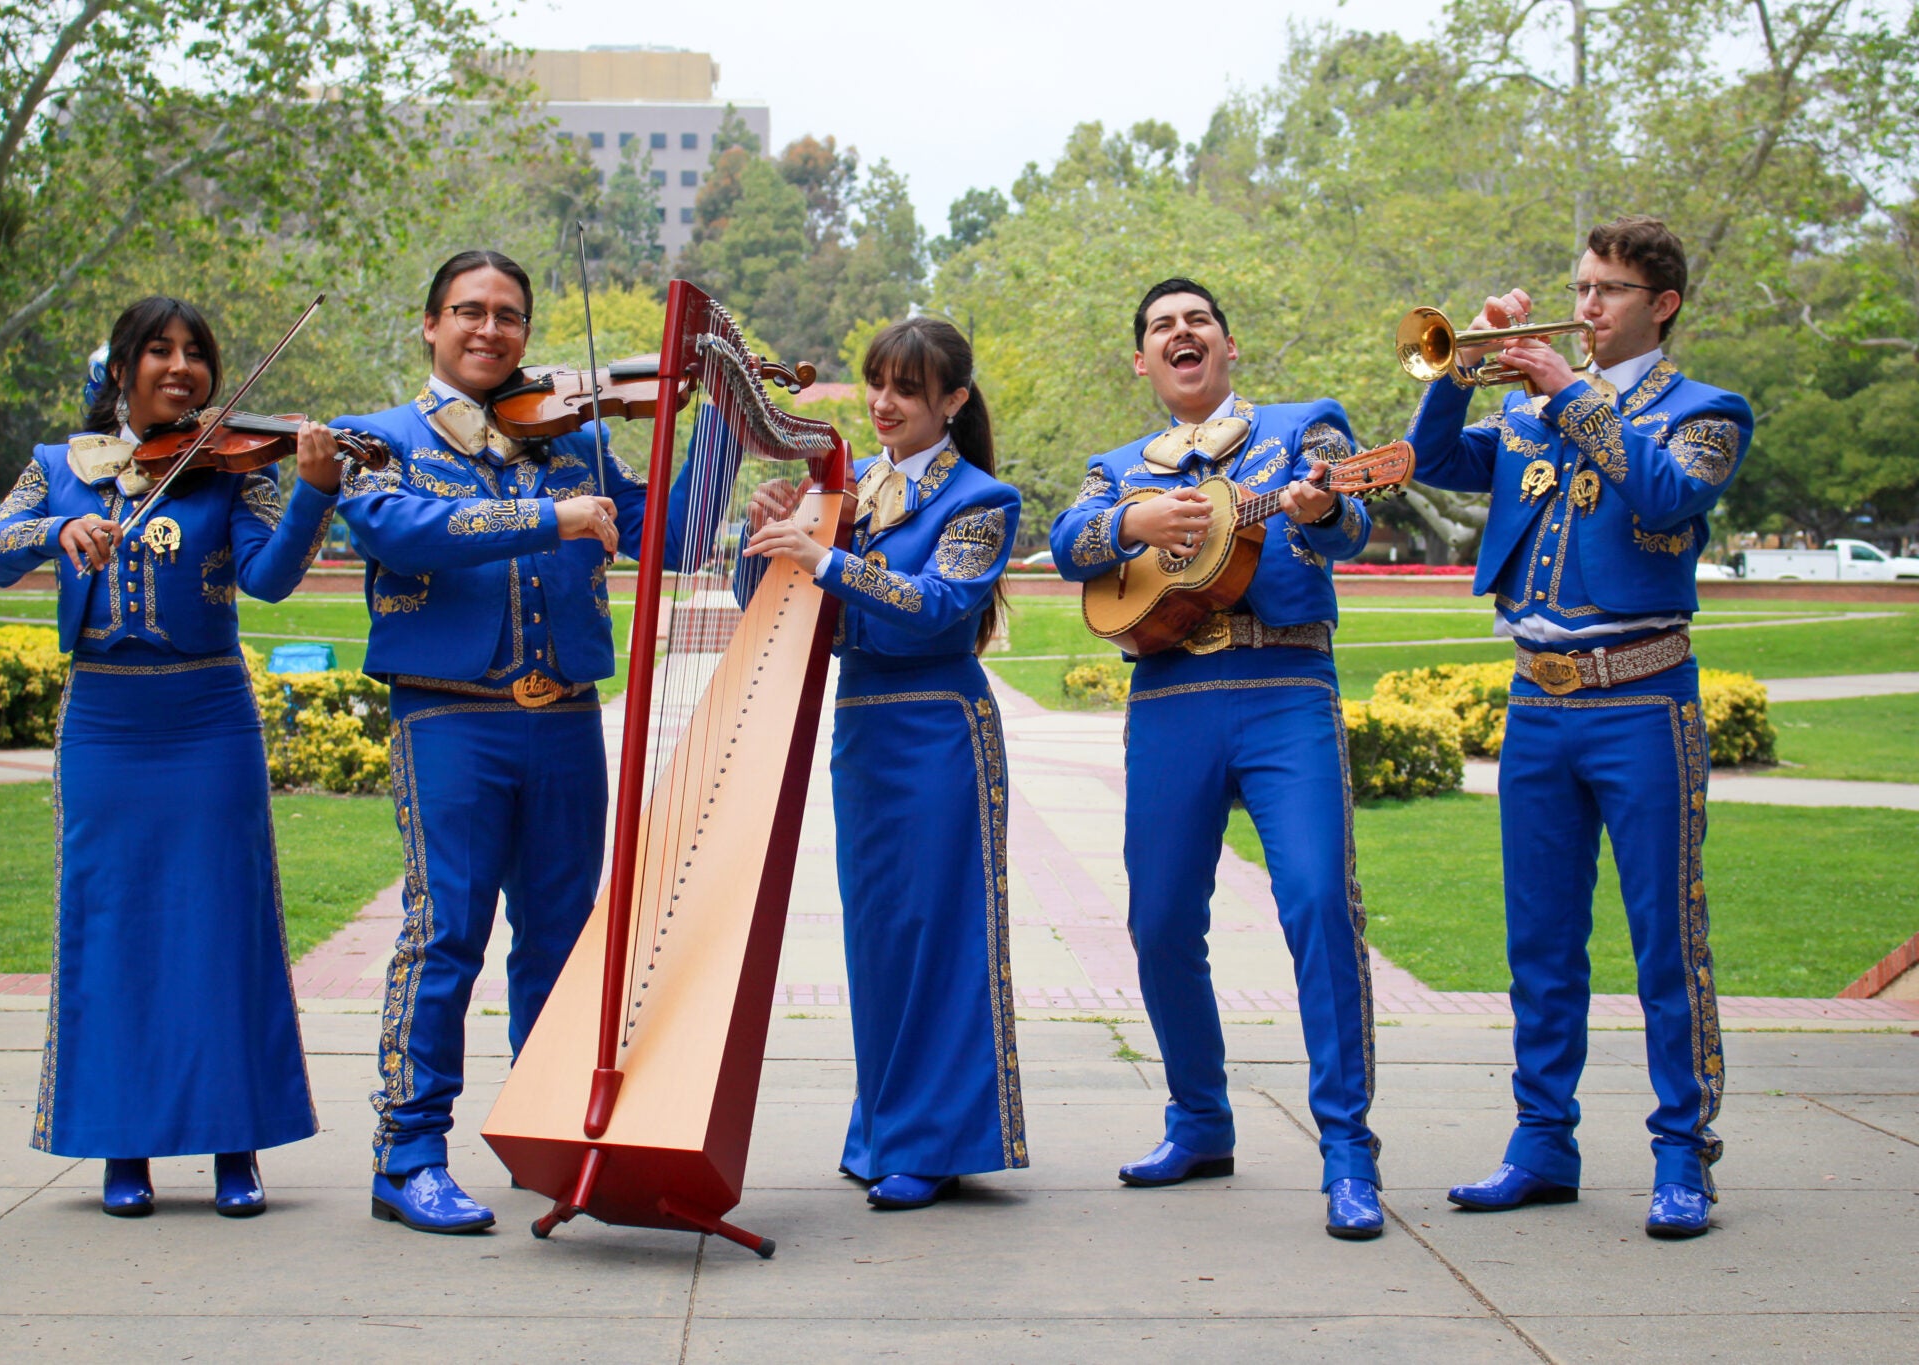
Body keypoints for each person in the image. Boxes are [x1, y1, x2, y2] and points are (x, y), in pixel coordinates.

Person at [336, 249, 758, 1234]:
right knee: (444, 932)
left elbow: (678, 536)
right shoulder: (376, 439)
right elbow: (405, 531)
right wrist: (548, 517)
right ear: (430, 326)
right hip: (448, 715)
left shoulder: (571, 444)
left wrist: (724, 431)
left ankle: (546, 1132)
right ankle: (406, 1154)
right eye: (469, 312)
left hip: (562, 715)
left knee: (564, 946)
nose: (490, 330)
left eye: (509, 315)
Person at [1405, 217, 1749, 1239]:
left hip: (1641, 699)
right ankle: (1540, 1142)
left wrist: (1568, 387)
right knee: (1540, 942)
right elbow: (1428, 458)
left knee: (1662, 940)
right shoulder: (1526, 410)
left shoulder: (1705, 411)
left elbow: (1664, 490)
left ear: (1662, 303)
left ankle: (1681, 1153)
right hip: (1537, 703)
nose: (1585, 304)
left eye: (1605, 289)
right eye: (1580, 285)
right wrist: (1458, 361)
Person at [0, 296, 339, 1217]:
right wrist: (55, 530)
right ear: (122, 367)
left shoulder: (227, 468)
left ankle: (234, 1145)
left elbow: (271, 578)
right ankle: (120, 1145)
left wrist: (316, 489)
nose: (182, 368)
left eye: (197, 353)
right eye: (160, 351)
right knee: (110, 926)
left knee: (225, 926)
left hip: (208, 716)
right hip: (105, 720)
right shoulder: (59, 466)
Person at [1049, 278, 1384, 1239]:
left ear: (1229, 347)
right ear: (1144, 363)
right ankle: (1198, 1119)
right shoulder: (1115, 466)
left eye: (1198, 320)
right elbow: (1070, 544)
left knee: (1319, 902)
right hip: (1170, 699)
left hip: (1285, 690)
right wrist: (1134, 525)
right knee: (1158, 922)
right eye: (1161, 326)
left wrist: (1320, 509)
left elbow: (1351, 523)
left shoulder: (1303, 428)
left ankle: (1348, 1149)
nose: (1181, 333)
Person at [747, 317, 1026, 1210]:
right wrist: (767, 546)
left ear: (952, 401)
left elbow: (938, 606)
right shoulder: (850, 489)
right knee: (877, 937)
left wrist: (824, 557)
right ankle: (884, 1127)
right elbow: (803, 613)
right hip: (863, 726)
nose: (884, 403)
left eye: (908, 388)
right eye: (878, 383)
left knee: (941, 934)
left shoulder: (984, 499)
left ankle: (936, 1141)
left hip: (943, 728)